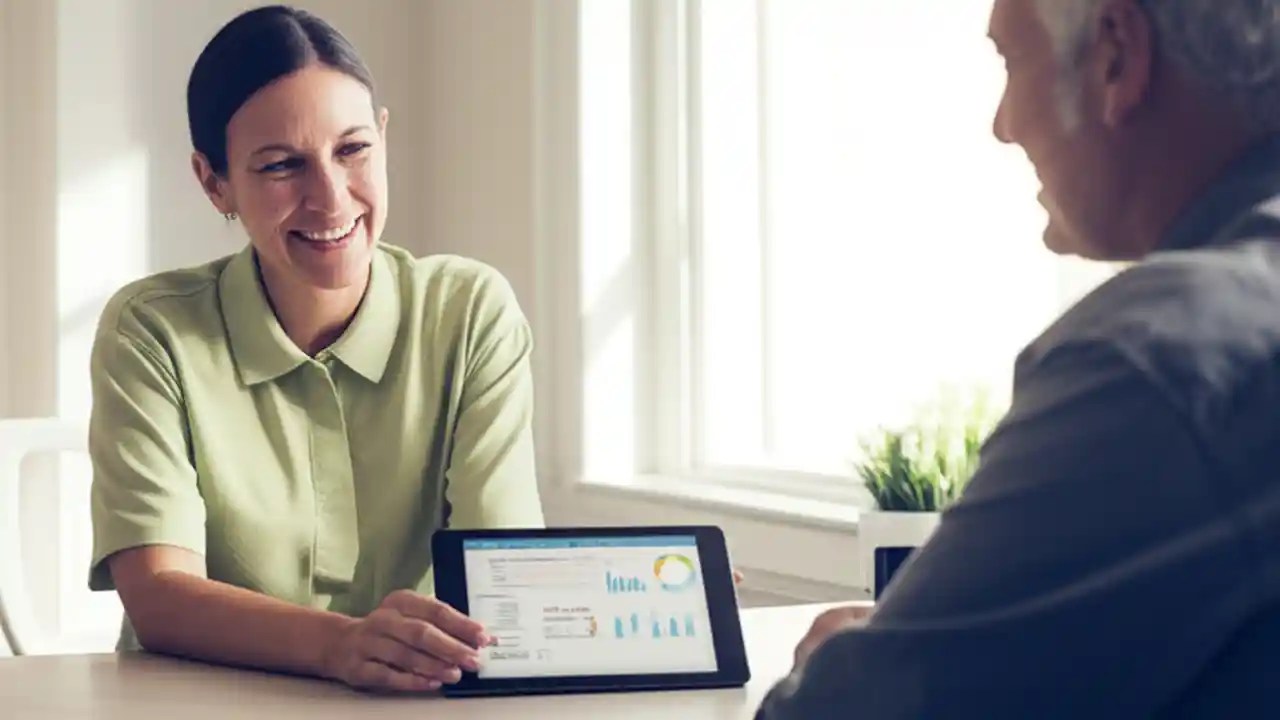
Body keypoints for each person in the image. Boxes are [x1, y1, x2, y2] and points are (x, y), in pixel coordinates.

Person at [756, 0, 1280, 716]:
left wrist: (842, 666)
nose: (1002, 125)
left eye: (1010, 61)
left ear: (1116, 57)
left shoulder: (1159, 362)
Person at [87, 5, 542, 693]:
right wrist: (343, 644)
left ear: (383, 138)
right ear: (214, 182)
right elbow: (158, 595)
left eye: (353, 150)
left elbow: (500, 574)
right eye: (280, 165)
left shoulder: (470, 312)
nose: (330, 198)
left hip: (415, 705)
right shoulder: (151, 331)